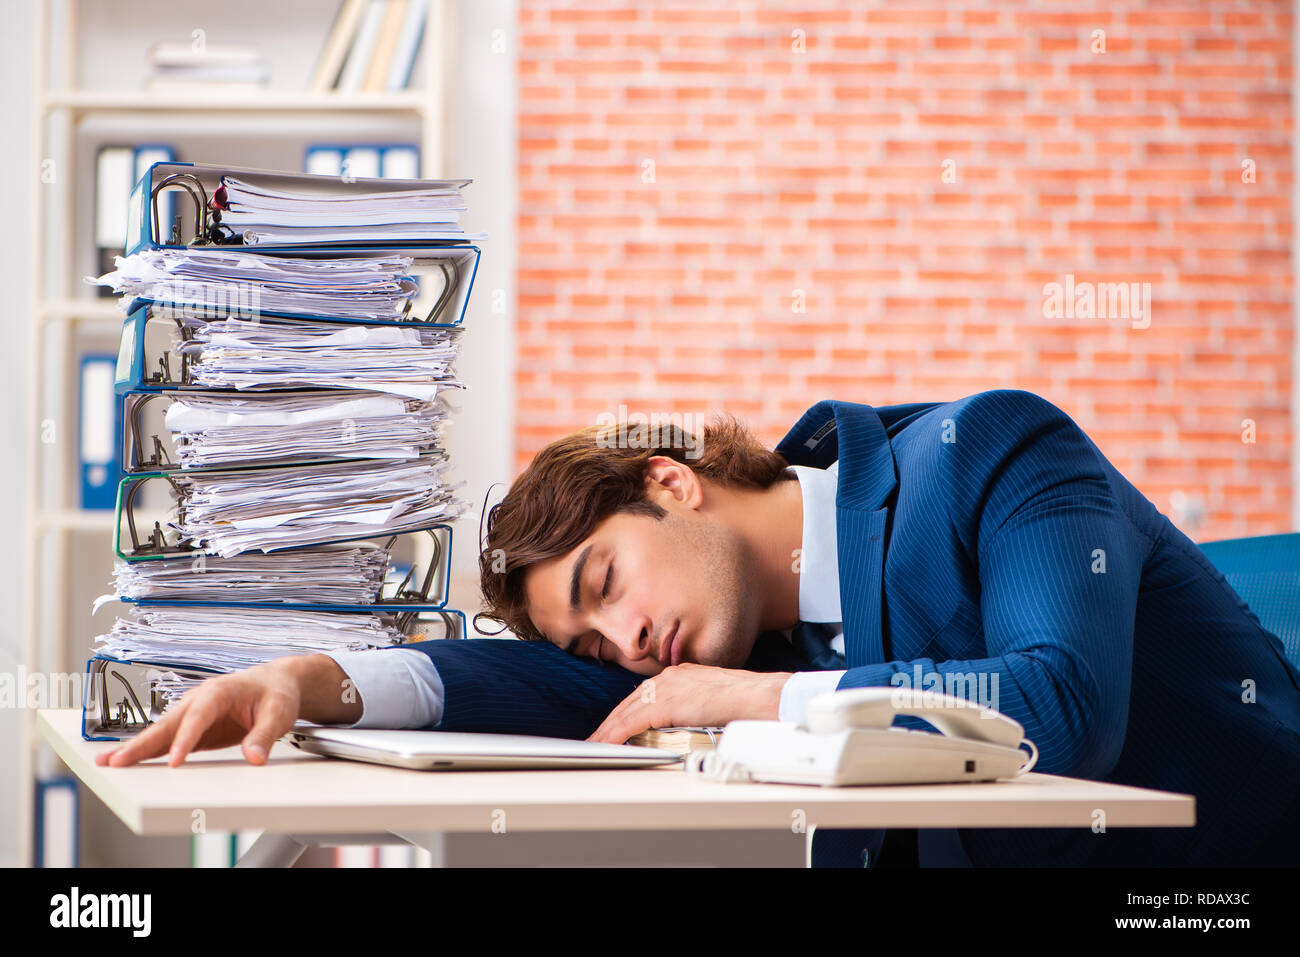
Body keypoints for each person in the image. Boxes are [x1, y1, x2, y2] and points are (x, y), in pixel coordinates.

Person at [97, 390, 1300, 866]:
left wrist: (752, 702)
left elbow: (1061, 711)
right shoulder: (718, 644)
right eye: (592, 643)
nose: (625, 643)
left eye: (605, 581)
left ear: (669, 482)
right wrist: (310, 678)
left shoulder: (990, 452)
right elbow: (522, 687)